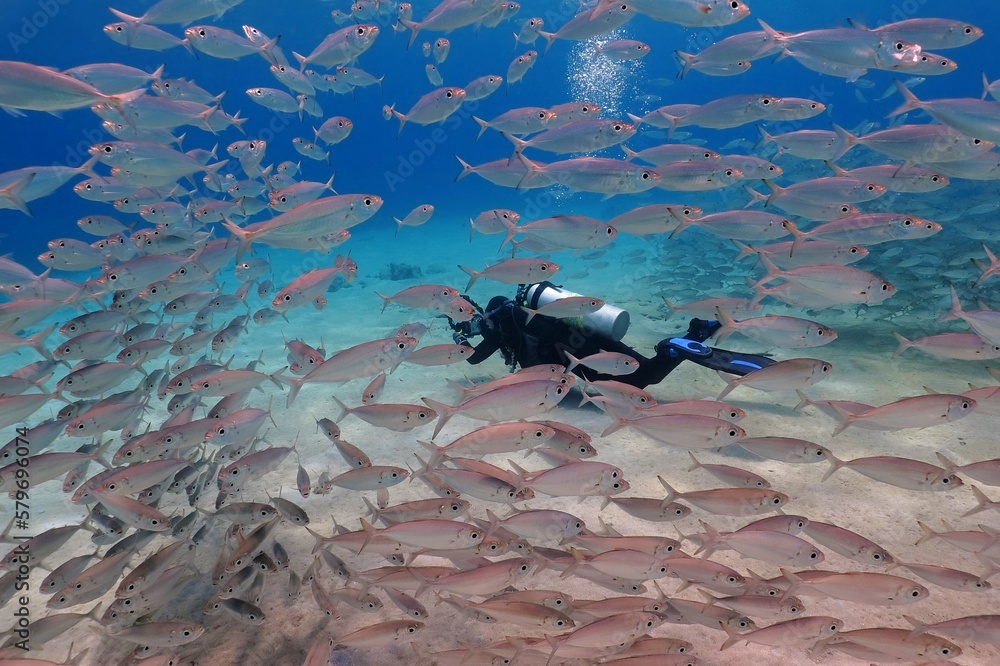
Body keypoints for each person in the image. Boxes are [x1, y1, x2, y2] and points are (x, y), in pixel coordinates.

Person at [448, 282, 775, 389]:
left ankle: (673, 348)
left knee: (641, 380)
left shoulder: (501, 324)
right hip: (587, 332)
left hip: (574, 356)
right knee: (641, 368)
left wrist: (460, 343)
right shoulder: (527, 311)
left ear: (488, 315)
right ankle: (696, 333)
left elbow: (476, 359)